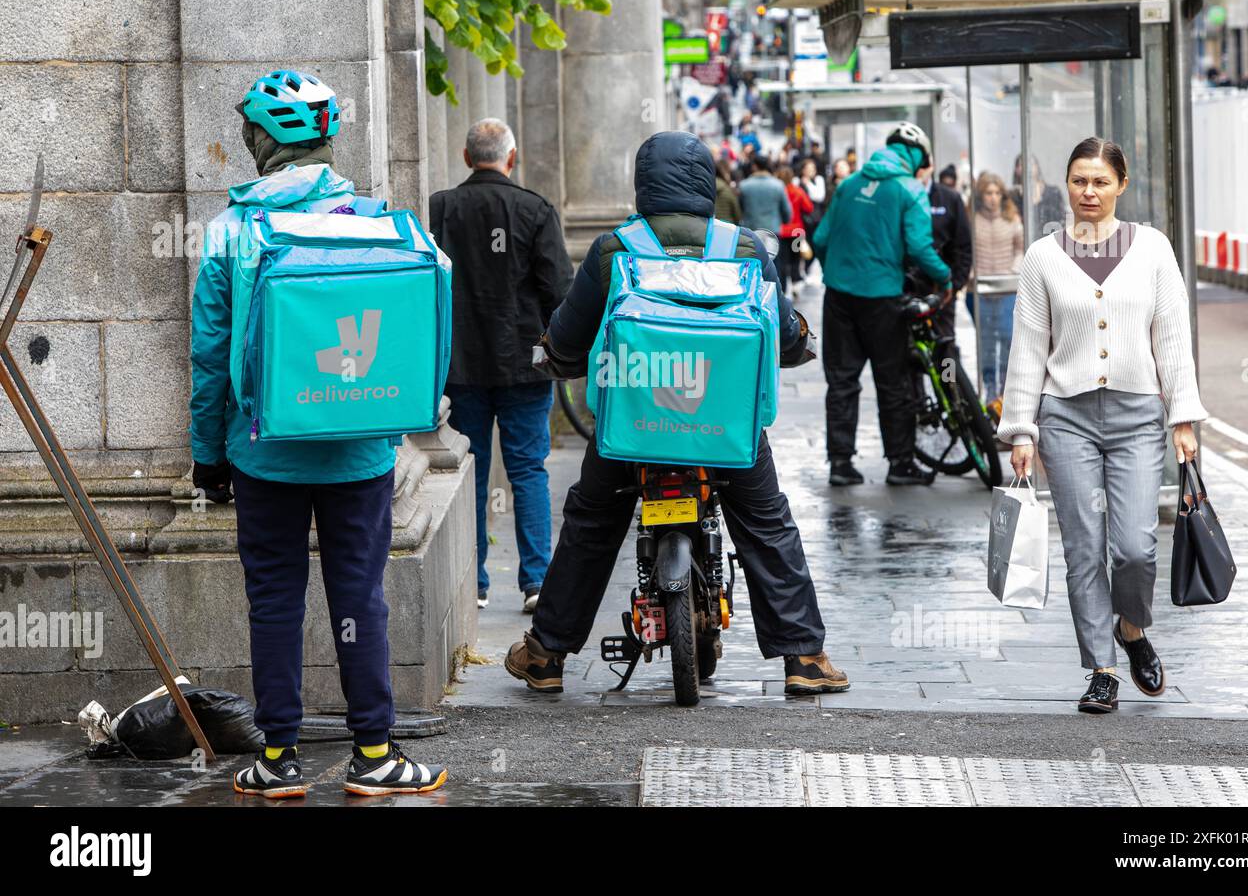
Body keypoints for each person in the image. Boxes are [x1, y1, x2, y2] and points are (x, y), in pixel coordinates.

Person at [504, 130, 850, 698]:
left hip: (633, 435)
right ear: (708, 183)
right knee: (768, 525)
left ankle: (545, 655)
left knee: (590, 525)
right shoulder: (743, 248)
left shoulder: (616, 249)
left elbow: (567, 341)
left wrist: (557, 357)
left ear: (642, 184)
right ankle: (805, 658)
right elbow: (785, 337)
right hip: (726, 435)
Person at [190, 70, 445, 797]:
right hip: (359, 447)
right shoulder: (376, 220)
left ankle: (277, 761)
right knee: (359, 596)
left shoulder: (230, 231)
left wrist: (209, 457)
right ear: (328, 138)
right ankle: (374, 753)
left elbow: (210, 360)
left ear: (261, 141)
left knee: (274, 599)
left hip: (262, 451)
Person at [998, 137, 1207, 714]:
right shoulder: (1042, 256)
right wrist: (1021, 429)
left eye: (1099, 181)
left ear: (1122, 185)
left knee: (1137, 548)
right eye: (1078, 181)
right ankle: (1101, 669)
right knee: (1085, 548)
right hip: (1065, 418)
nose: (1088, 192)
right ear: (1066, 185)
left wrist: (1183, 418)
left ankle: (1132, 629)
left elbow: (1171, 336)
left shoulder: (1154, 250)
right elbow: (1027, 349)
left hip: (1138, 415)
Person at [428, 118, 573, 613]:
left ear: (468, 158)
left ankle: (477, 582)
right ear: (512, 158)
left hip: (463, 366)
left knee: (473, 469)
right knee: (529, 470)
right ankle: (536, 582)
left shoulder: (441, 209)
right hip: (525, 365)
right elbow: (559, 292)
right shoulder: (535, 210)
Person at [811, 122, 953, 487]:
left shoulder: (849, 184)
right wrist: (946, 278)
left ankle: (841, 463)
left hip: (840, 298)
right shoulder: (909, 190)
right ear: (917, 156)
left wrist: (836, 272)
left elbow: (821, 238)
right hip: (883, 300)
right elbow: (921, 249)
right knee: (893, 383)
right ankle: (900, 463)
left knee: (842, 382)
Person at [968, 171, 1024, 411]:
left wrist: (1013, 270)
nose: (992, 198)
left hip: (1007, 289)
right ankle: (989, 389)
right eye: (988, 193)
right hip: (979, 291)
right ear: (981, 195)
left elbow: (1020, 248)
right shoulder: (972, 219)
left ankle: (1004, 390)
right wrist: (971, 272)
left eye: (996, 193)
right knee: (986, 343)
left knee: (1008, 338)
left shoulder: (1012, 219)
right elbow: (964, 248)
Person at [916, 162, 971, 344]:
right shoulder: (900, 197)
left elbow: (963, 245)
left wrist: (955, 285)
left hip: (942, 291)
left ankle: (950, 373)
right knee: (909, 353)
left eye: (924, 164)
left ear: (931, 166)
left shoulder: (949, 198)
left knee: (945, 351)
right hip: (908, 291)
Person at [1010, 153, 1067, 240]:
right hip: (1024, 245)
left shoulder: (1053, 192)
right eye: (1022, 164)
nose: (1028, 168)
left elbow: (1063, 220)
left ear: (1037, 167)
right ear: (1017, 170)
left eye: (1031, 164)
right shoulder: (1012, 197)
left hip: (1051, 243)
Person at [776, 164, 813, 295]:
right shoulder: (798, 191)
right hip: (797, 232)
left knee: (783, 260)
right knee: (796, 258)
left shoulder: (778, 191)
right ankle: (796, 283)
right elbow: (809, 208)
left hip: (781, 231)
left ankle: (784, 287)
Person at [737, 154, 792, 237]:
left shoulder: (744, 185)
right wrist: (783, 221)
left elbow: (739, 210)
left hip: (751, 231)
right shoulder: (778, 185)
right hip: (772, 231)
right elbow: (787, 212)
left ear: (754, 166)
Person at [714, 156, 742, 223]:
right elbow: (737, 215)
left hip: (709, 227)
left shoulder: (707, 186)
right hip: (727, 227)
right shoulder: (728, 189)